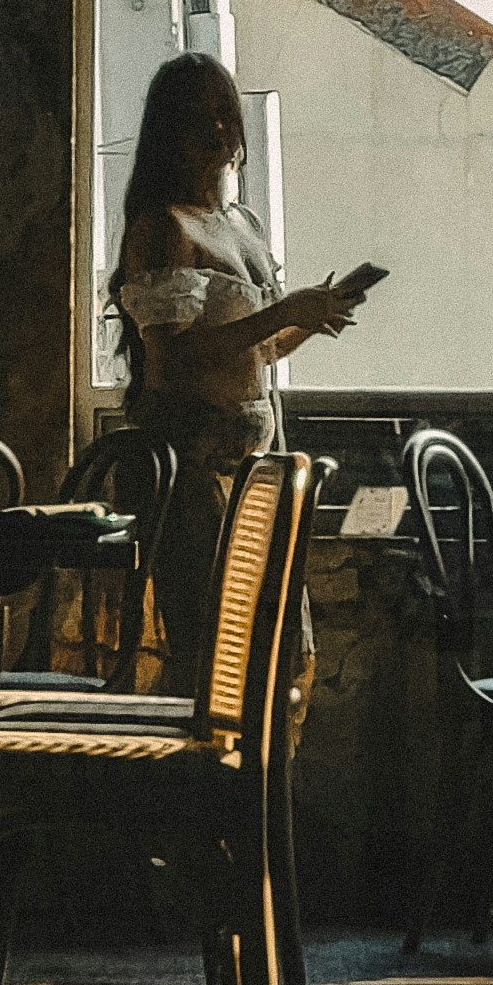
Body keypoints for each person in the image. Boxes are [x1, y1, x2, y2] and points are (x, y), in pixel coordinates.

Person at [110, 51, 367, 684]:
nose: (223, 134)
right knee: (211, 663)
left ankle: (259, 778)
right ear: (174, 133)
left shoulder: (241, 226)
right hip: (196, 478)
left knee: (273, 657)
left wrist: (304, 322)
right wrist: (281, 311)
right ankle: (213, 781)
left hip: (259, 473)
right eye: (206, 120)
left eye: (227, 117)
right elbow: (171, 361)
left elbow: (256, 352)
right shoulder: (162, 228)